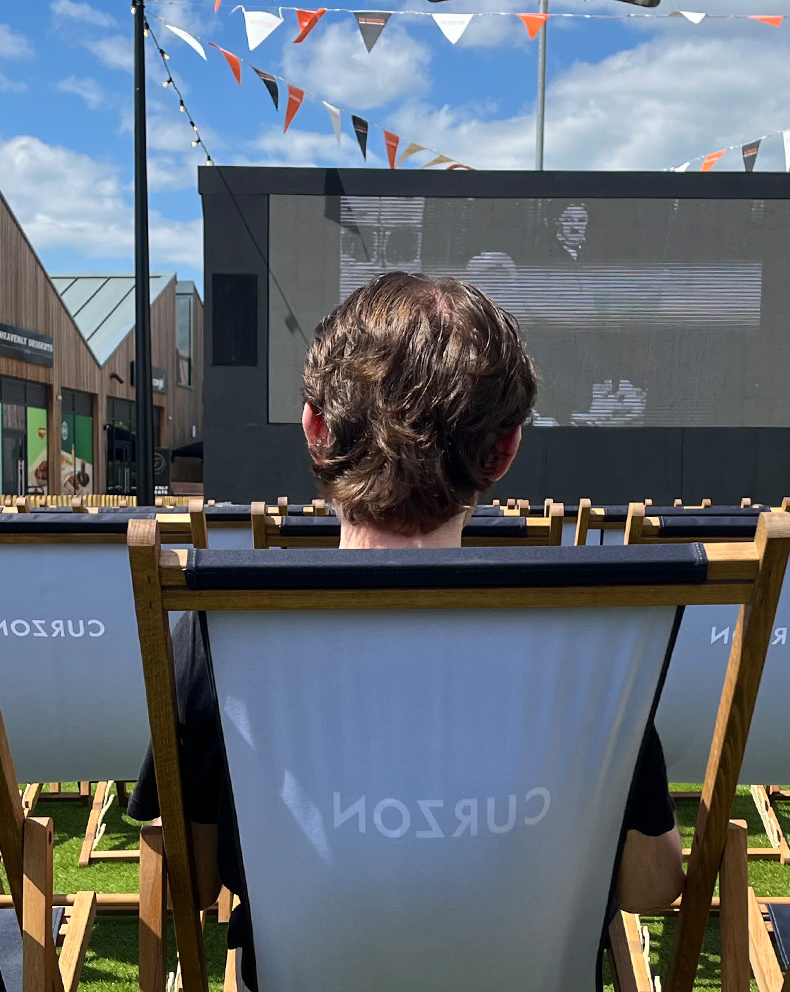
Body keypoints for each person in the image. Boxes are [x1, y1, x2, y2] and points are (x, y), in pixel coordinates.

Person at [127, 271, 685, 987]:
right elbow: (650, 885)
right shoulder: (584, 646)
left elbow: (190, 883)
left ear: (317, 432)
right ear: (504, 451)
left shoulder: (220, 634)